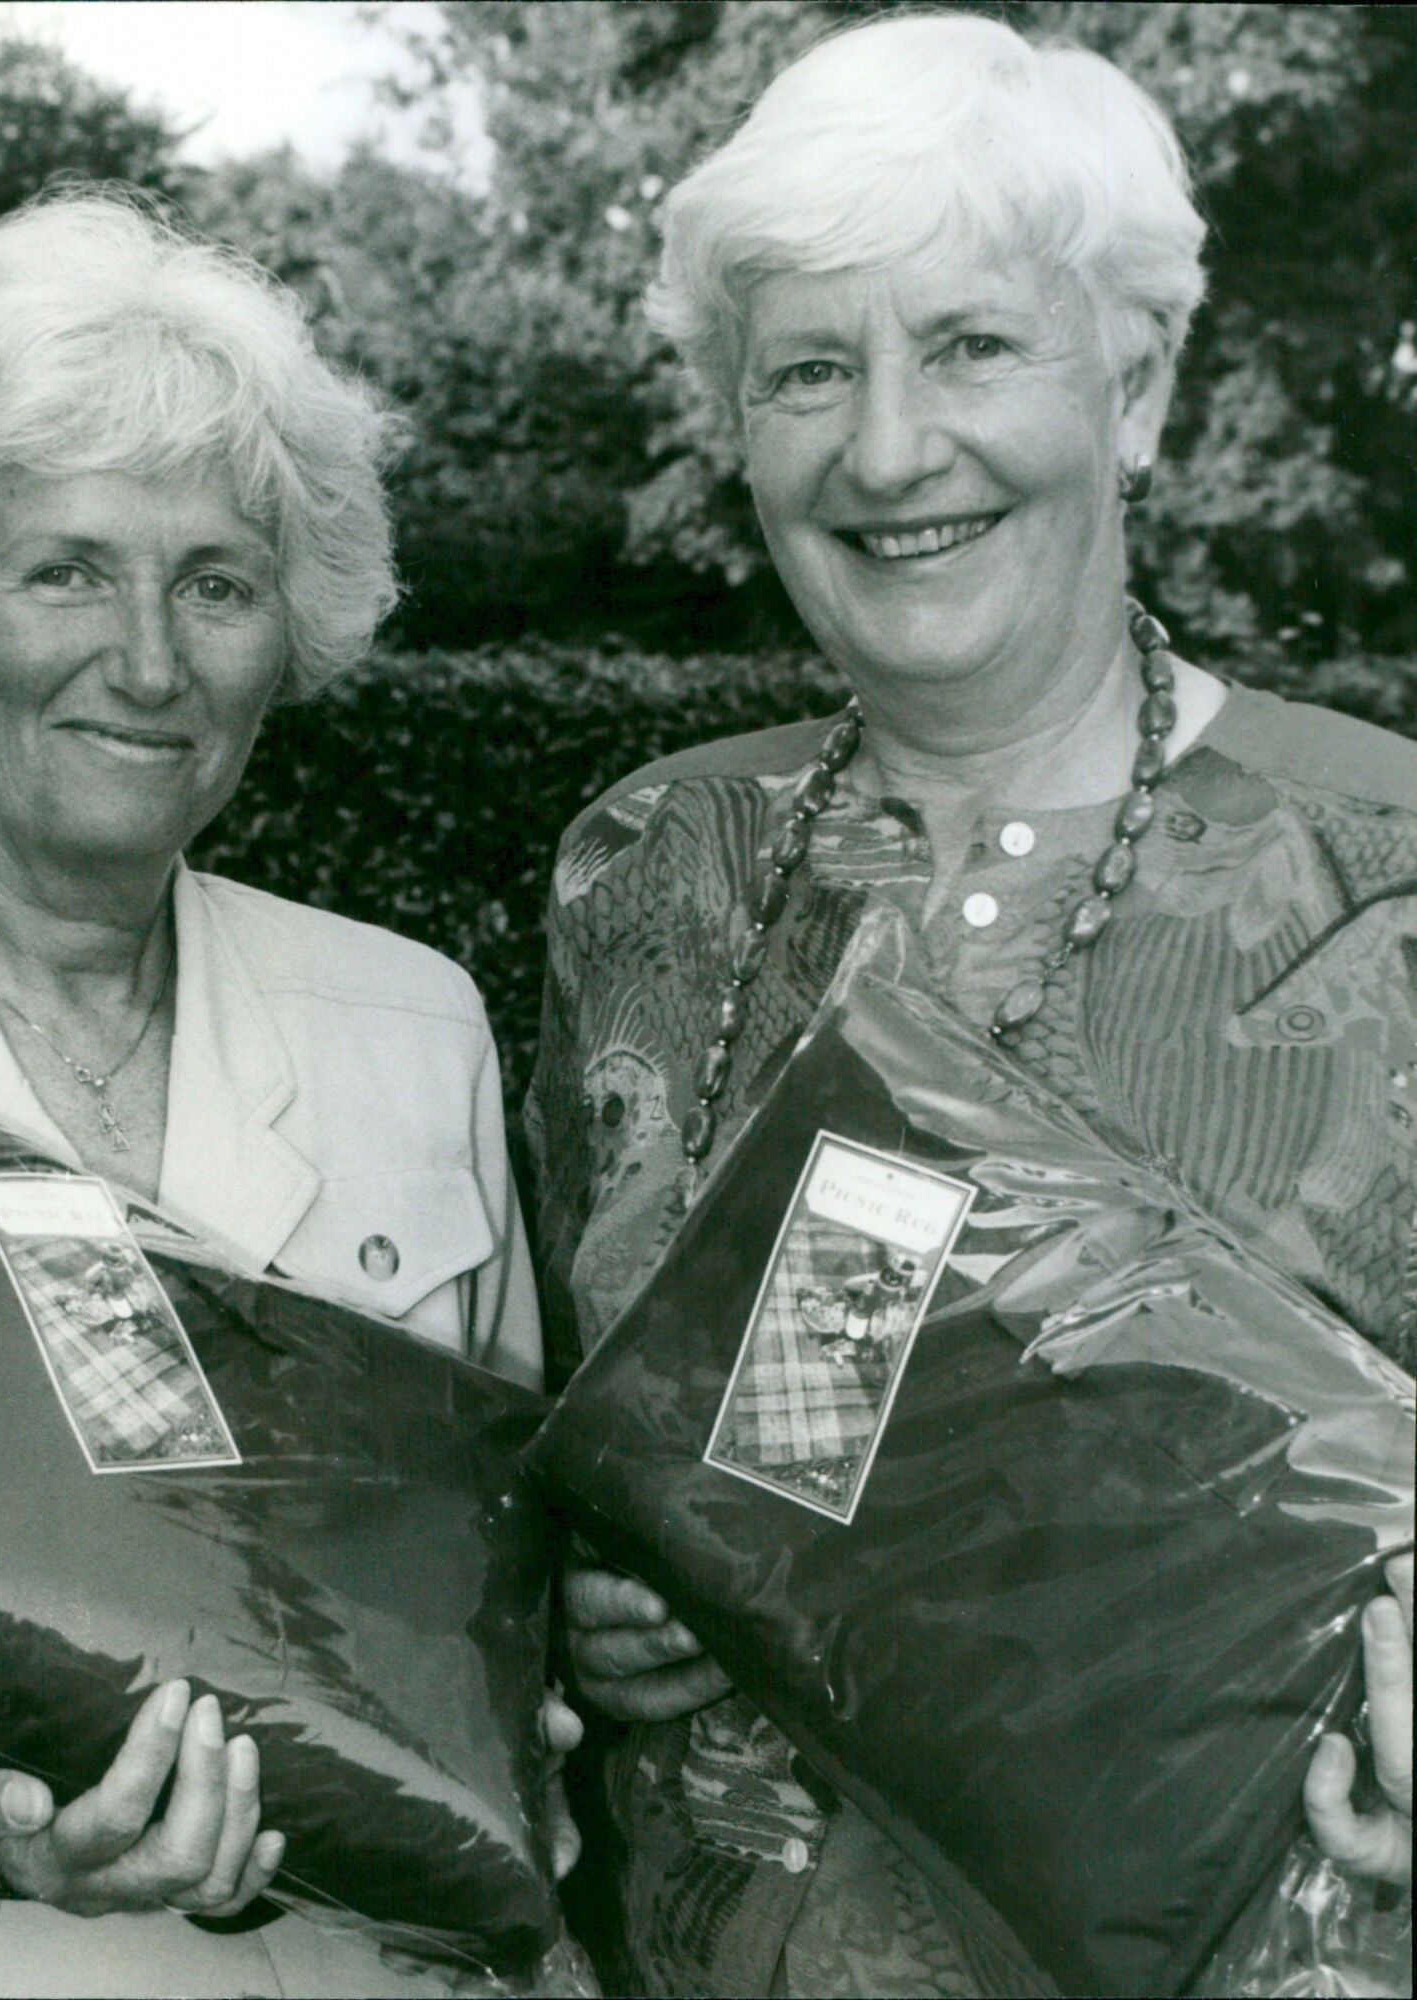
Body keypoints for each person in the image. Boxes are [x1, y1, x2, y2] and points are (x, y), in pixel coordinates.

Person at [523, 16, 1415, 1996]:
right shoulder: (644, 874)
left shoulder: (1391, 861)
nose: (887, 446)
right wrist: (583, 1609)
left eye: (972, 346)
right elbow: (596, 1431)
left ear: (1140, 386)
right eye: (811, 370)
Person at [0, 192, 572, 1999]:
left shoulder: (413, 1025)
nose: (151, 661)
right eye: (66, 566)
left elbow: (495, 1629)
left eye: (214, 584)